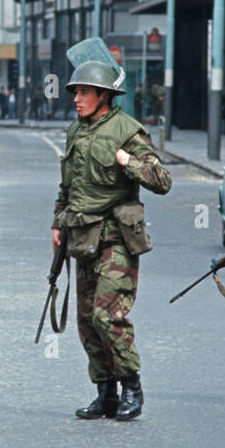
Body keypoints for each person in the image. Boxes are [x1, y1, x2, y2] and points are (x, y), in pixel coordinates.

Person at [52, 41, 172, 421]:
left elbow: (162, 179)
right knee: (86, 320)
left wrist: (128, 161)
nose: (76, 99)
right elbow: (67, 187)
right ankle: (105, 392)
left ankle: (131, 387)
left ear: (103, 95)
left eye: (84, 92)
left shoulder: (127, 130)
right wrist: (57, 224)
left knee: (108, 315)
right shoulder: (75, 132)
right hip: (82, 235)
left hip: (117, 237)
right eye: (75, 92)